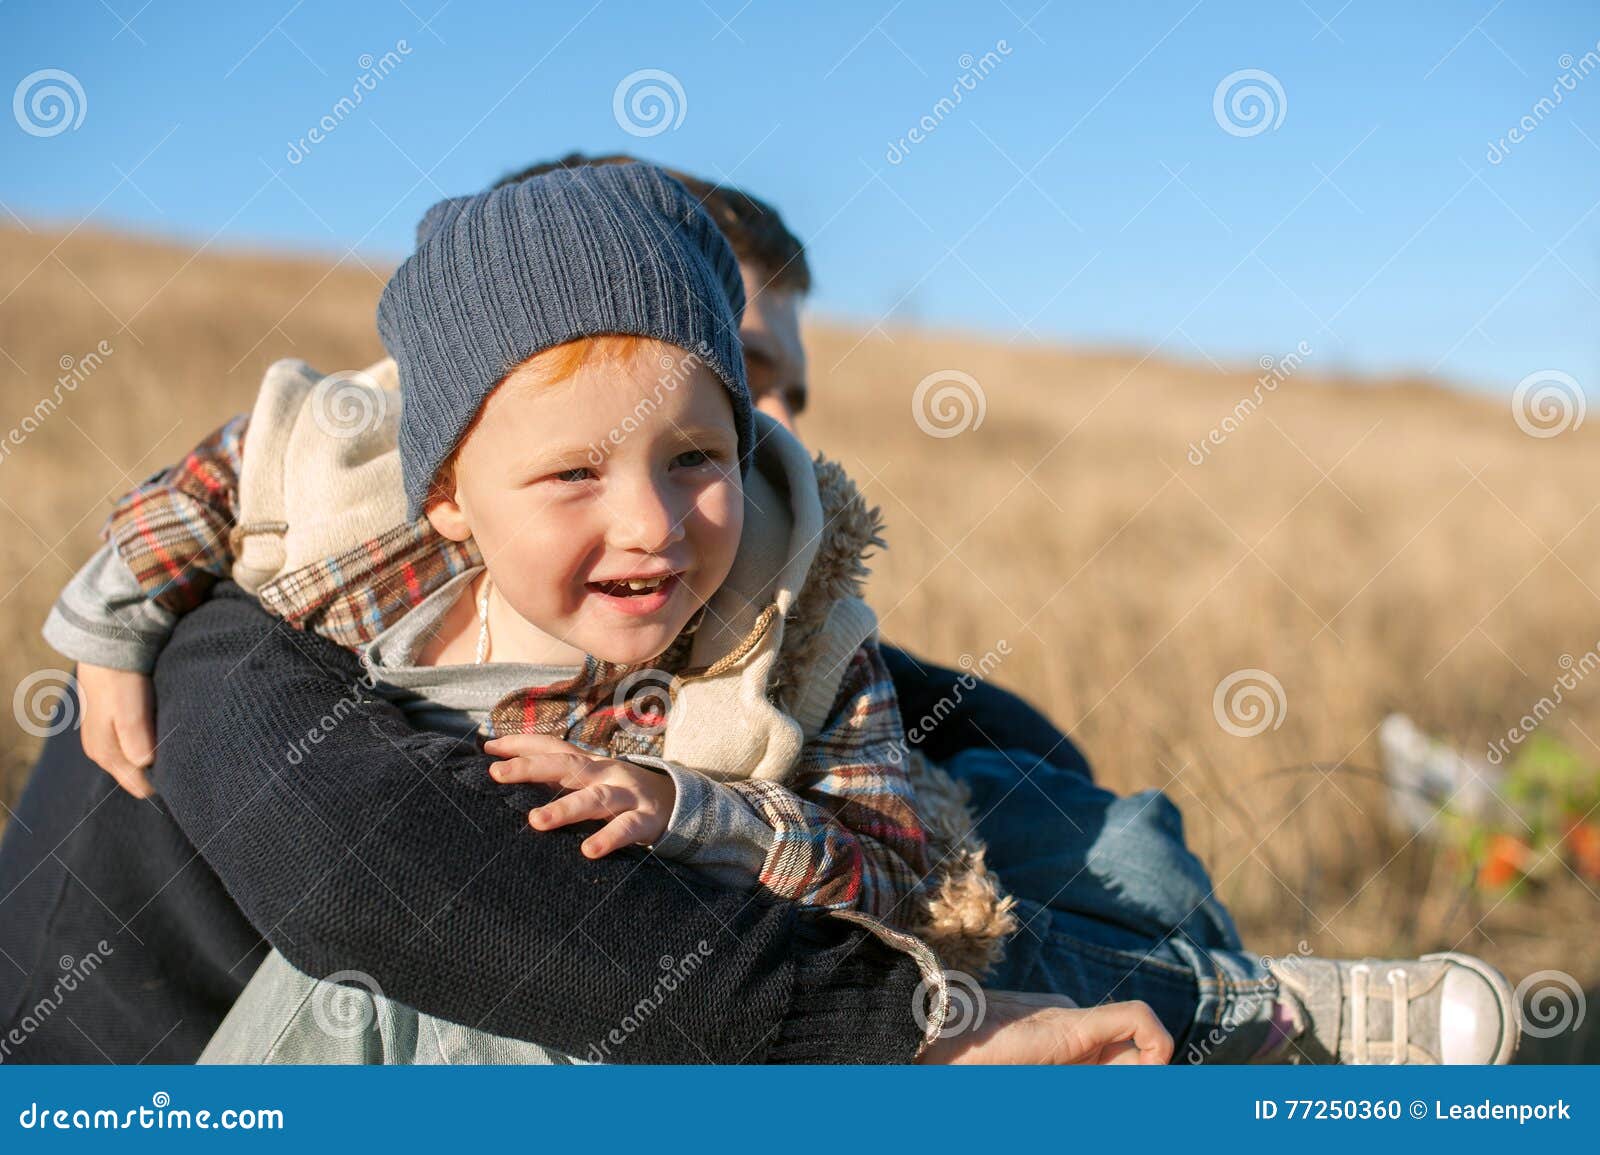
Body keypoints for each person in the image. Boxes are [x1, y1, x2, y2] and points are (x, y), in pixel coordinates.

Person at [16, 152, 1517, 1066]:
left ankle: (1241, 1033)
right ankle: (1200, 1029)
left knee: (1032, 806)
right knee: (590, 912)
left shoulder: (740, 591)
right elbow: (380, 888)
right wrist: (914, 1030)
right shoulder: (274, 609)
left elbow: (980, 759)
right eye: (582, 458)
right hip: (195, 1080)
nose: (763, 447)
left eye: (740, 414)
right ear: (450, 474)